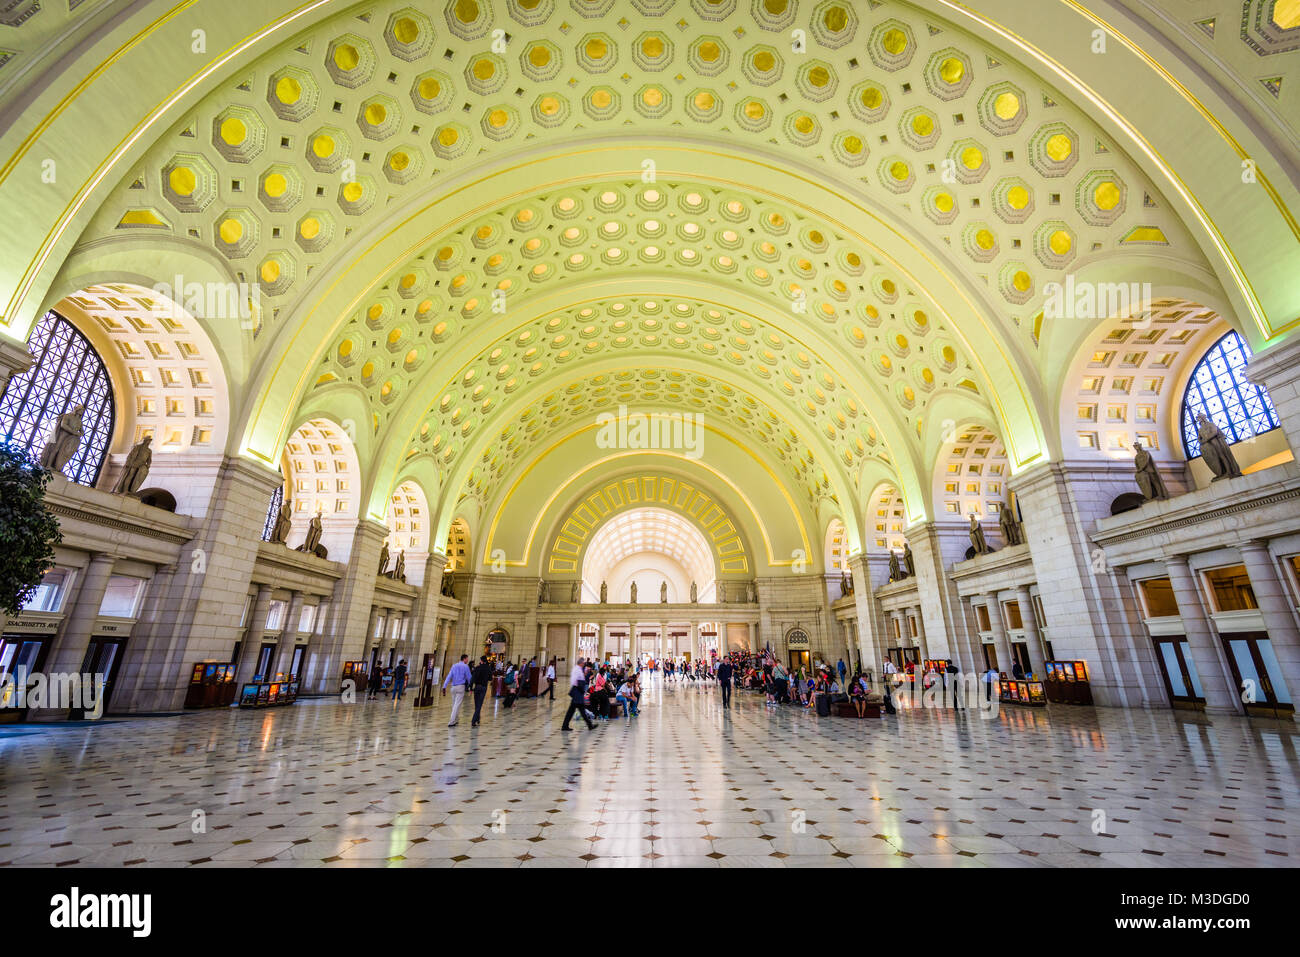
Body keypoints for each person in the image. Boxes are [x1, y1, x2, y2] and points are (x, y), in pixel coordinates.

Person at [562, 658, 596, 731]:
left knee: (576, 711)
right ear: (581, 663)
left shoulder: (578, 669)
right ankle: (590, 725)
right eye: (583, 663)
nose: (584, 664)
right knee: (579, 710)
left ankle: (565, 726)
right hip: (577, 692)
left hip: (578, 692)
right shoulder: (577, 669)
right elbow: (575, 680)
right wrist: (580, 688)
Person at [441, 654, 472, 726]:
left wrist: (444, 686)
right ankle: (451, 721)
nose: (467, 660)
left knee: (454, 704)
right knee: (456, 705)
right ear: (464, 659)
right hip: (460, 687)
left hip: (453, 687)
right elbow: (469, 677)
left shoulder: (454, 666)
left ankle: (456, 719)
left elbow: (449, 676)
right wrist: (471, 686)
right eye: (467, 659)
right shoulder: (465, 666)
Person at [470, 655, 494, 726]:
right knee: (479, 704)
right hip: (483, 687)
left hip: (477, 687)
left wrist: (470, 688)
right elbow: (490, 678)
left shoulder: (477, 668)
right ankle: (476, 719)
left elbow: (473, 678)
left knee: (477, 704)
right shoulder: (488, 668)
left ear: (481, 661)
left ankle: (475, 719)